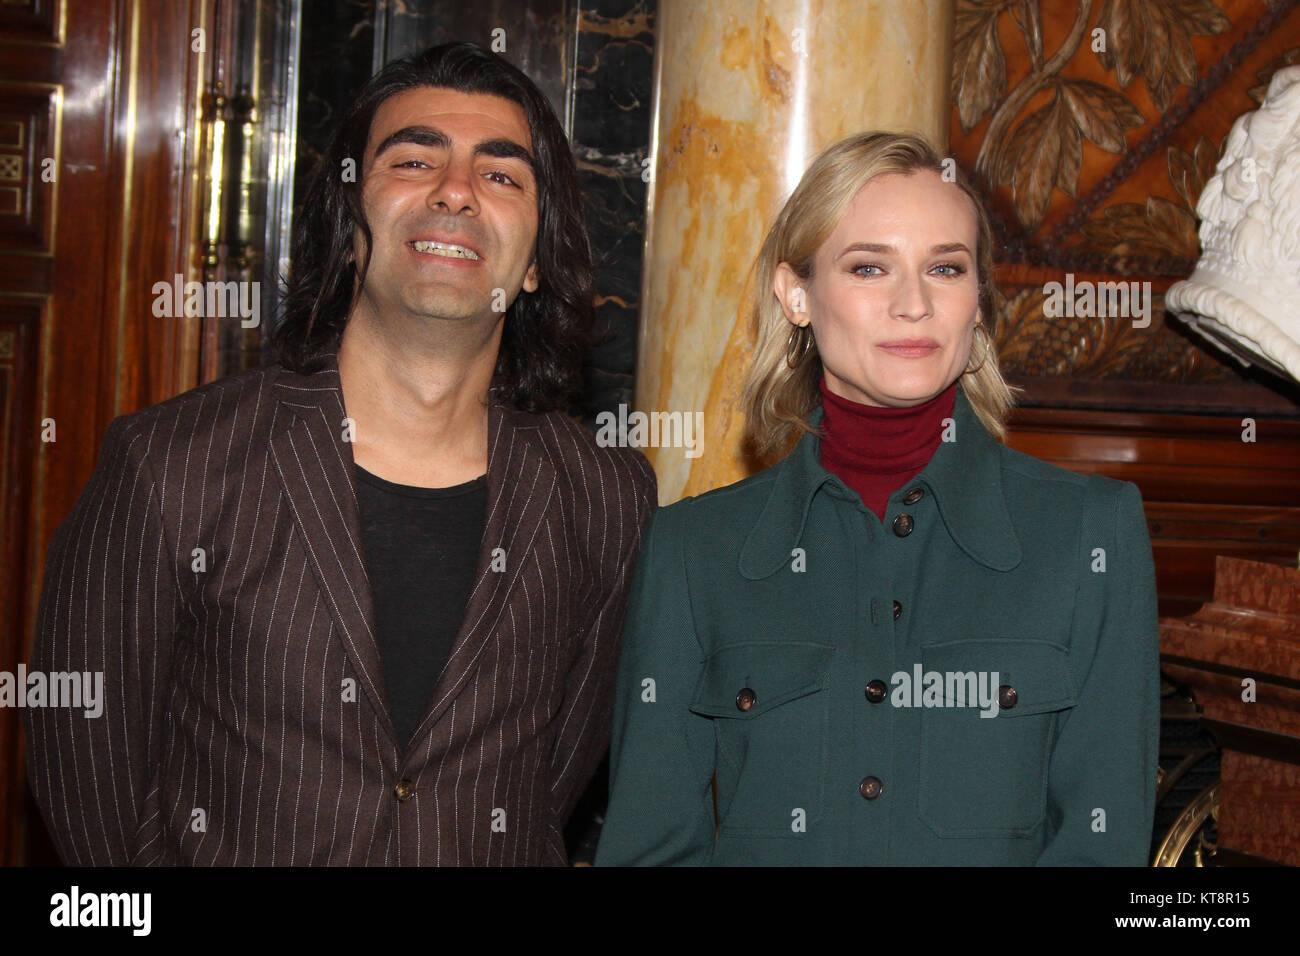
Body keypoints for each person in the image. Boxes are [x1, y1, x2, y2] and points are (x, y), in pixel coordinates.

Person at [24, 41, 655, 866]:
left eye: (502, 176)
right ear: (350, 227)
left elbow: (553, 780)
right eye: (414, 159)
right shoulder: (172, 464)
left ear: (536, 262)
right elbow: (87, 777)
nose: (456, 192)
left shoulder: (606, 499)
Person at [595, 131, 1158, 866]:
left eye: (946, 269)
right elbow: (650, 848)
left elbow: (1102, 848)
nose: (914, 304)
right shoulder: (695, 550)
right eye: (869, 267)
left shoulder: (1091, 533)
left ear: (977, 302)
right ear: (796, 295)